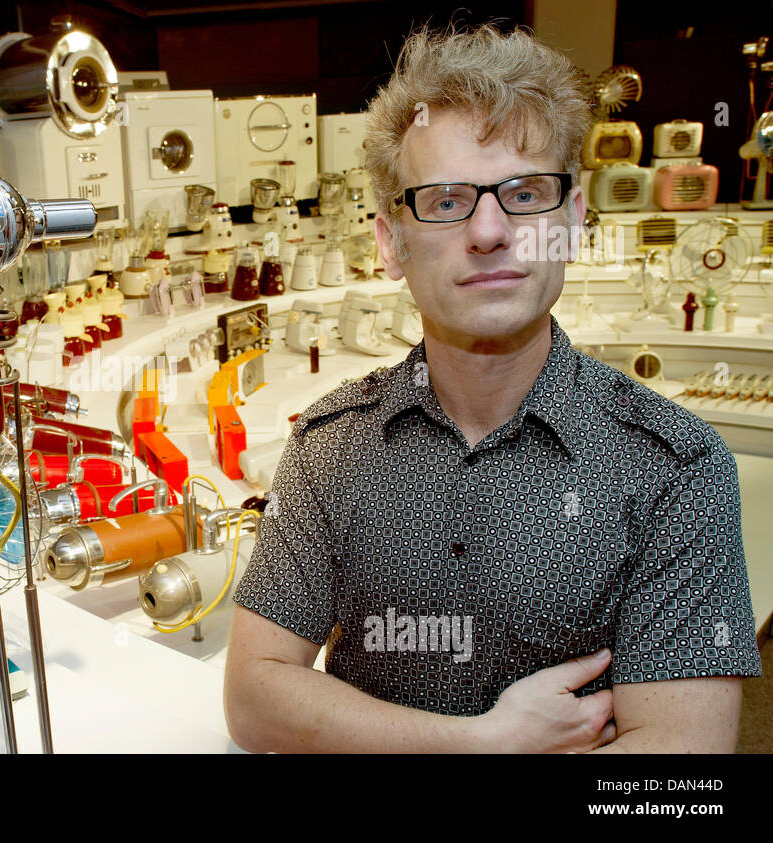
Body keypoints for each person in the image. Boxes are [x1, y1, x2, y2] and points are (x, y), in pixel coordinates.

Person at [224, 23, 762, 753]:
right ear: (391, 242)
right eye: (445, 201)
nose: (488, 230)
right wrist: (485, 742)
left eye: (525, 193)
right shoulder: (330, 446)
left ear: (571, 223)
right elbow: (254, 700)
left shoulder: (677, 467)